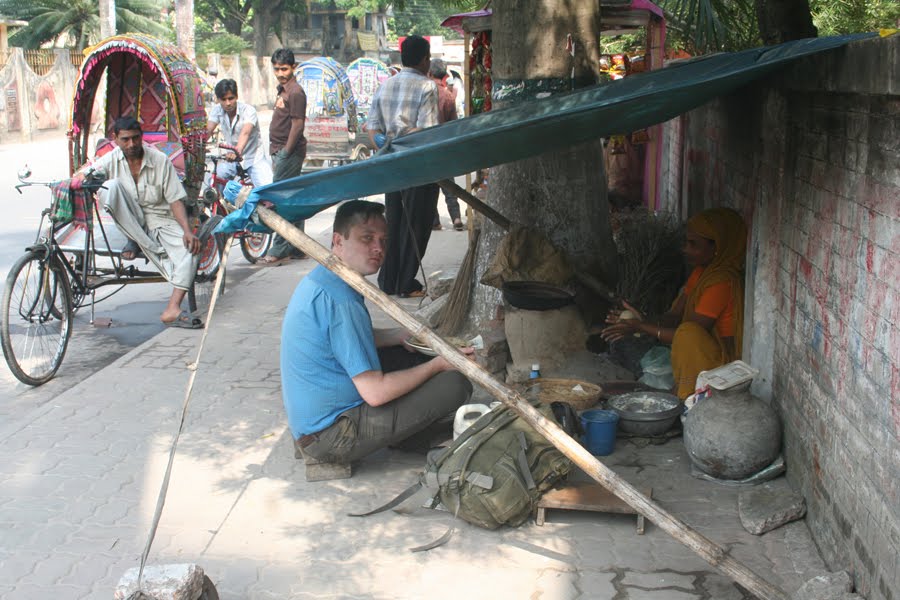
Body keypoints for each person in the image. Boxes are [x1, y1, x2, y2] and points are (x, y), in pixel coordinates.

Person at [281, 200, 473, 464]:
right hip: (331, 436)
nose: (378, 248)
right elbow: (376, 393)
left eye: (383, 240)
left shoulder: (325, 278)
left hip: (315, 422)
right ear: (338, 240)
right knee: (454, 384)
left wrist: (399, 336)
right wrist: (439, 365)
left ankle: (407, 431)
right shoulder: (342, 301)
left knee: (410, 356)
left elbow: (347, 340)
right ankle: (413, 437)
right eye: (367, 238)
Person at [601, 207, 747, 399]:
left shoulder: (721, 282)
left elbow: (686, 334)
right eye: (686, 242)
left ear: (716, 247)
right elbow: (674, 317)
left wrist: (641, 327)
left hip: (721, 364)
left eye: (694, 244)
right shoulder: (701, 273)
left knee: (687, 334)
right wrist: (641, 318)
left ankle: (685, 397)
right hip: (698, 351)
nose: (685, 249)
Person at [75, 116, 205, 328]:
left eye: (136, 138)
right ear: (116, 139)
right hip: (129, 219)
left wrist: (187, 231)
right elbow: (86, 173)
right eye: (125, 140)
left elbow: (174, 199)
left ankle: (172, 308)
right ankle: (137, 240)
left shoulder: (159, 160)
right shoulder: (112, 159)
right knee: (111, 186)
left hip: (160, 219)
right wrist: (76, 179)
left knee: (192, 250)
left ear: (141, 137)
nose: (132, 144)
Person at [366, 35, 440, 298]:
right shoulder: (427, 87)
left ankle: (388, 280)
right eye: (428, 58)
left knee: (395, 222)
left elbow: (371, 129)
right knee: (417, 223)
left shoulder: (386, 86)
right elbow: (427, 132)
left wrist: (386, 142)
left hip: (391, 165)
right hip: (417, 165)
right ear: (424, 59)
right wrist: (406, 133)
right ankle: (405, 281)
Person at [261, 48, 308, 266]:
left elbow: (298, 125)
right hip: (280, 151)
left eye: (284, 68)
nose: (280, 73)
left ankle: (279, 249)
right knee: (292, 199)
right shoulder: (284, 90)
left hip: (288, 152)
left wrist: (286, 153)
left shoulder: (296, 92)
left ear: (293, 67)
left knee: (279, 201)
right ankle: (298, 247)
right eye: (277, 69)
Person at [206, 78, 273, 189]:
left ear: (236, 97)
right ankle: (223, 205)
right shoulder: (217, 110)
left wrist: (237, 151)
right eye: (224, 99)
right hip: (231, 161)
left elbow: (245, 133)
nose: (228, 103)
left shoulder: (248, 110)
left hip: (253, 159)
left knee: (268, 190)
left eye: (231, 98)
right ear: (218, 100)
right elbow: (208, 130)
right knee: (213, 183)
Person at [428, 58, 464, 232]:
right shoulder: (448, 96)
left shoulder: (423, 93)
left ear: (429, 73)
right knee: (450, 187)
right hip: (443, 148)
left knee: (431, 187)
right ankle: (456, 218)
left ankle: (435, 221)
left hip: (426, 149)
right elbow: (454, 126)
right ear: (444, 76)